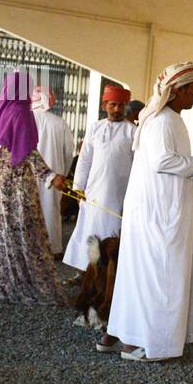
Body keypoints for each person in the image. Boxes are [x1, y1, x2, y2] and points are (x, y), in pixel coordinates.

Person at [103, 62, 193, 362]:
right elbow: (163, 160)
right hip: (161, 213)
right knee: (160, 274)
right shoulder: (164, 120)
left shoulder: (162, 118)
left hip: (156, 209)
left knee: (146, 273)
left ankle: (134, 338)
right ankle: (152, 344)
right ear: (177, 90)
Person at [0, 71, 67, 304]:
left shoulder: (3, 109)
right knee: (25, 231)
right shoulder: (21, 112)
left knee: (1, 231)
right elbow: (27, 151)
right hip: (16, 184)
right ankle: (25, 284)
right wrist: (50, 176)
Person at [61, 84, 135, 271]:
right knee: (90, 231)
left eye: (121, 105)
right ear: (104, 106)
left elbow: (137, 167)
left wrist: (133, 197)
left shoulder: (132, 131)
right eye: (113, 105)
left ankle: (111, 276)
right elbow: (84, 159)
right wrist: (78, 187)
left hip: (120, 194)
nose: (117, 109)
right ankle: (85, 274)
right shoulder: (95, 128)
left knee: (114, 235)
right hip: (93, 193)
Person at [32, 86, 75, 256]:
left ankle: (29, 249)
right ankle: (53, 249)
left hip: (29, 174)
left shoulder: (24, 120)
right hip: (55, 174)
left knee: (28, 210)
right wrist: (62, 172)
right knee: (51, 210)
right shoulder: (59, 123)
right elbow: (68, 152)